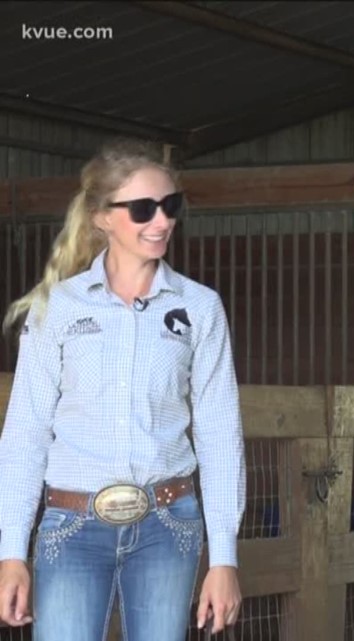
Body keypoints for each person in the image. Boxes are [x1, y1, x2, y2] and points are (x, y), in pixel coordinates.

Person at [0, 138, 246, 640]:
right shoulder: (58, 309)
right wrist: (10, 553)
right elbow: (26, 431)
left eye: (170, 205)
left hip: (168, 525)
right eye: (142, 209)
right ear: (101, 217)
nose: (162, 221)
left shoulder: (200, 309)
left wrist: (224, 558)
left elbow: (220, 432)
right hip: (70, 528)